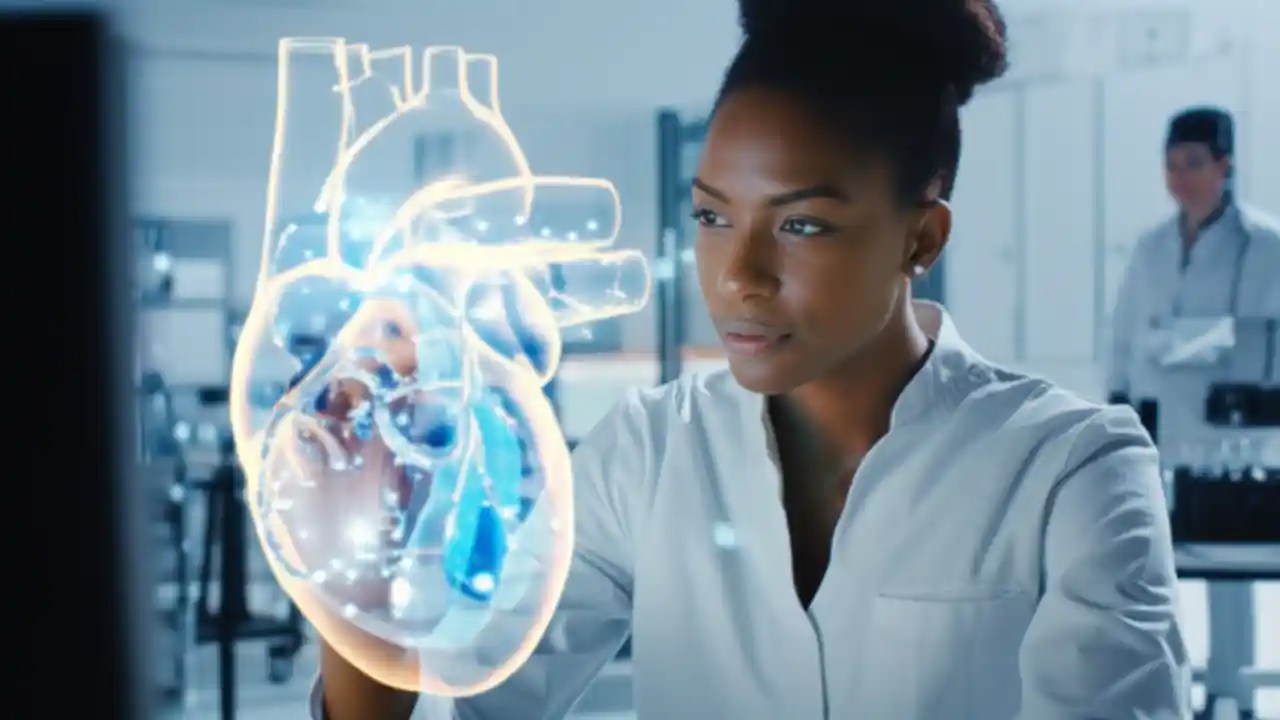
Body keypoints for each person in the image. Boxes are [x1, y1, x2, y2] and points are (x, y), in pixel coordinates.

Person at [313, 0, 1192, 717]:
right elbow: (465, 709)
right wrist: (360, 581)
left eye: (801, 225)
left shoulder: (1072, 471)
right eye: (710, 217)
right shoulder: (647, 453)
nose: (738, 277)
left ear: (920, 237)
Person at [1107, 107, 1280, 720]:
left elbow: (1255, 337)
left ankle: (1231, 692)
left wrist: (1173, 340)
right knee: (1158, 560)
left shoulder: (1263, 243)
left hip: (1229, 433)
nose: (1180, 178)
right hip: (1158, 423)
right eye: (1172, 165)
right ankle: (1175, 689)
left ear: (1224, 166)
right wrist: (1121, 394)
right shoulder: (1152, 245)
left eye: (1194, 164)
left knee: (1228, 563)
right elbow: (1127, 331)